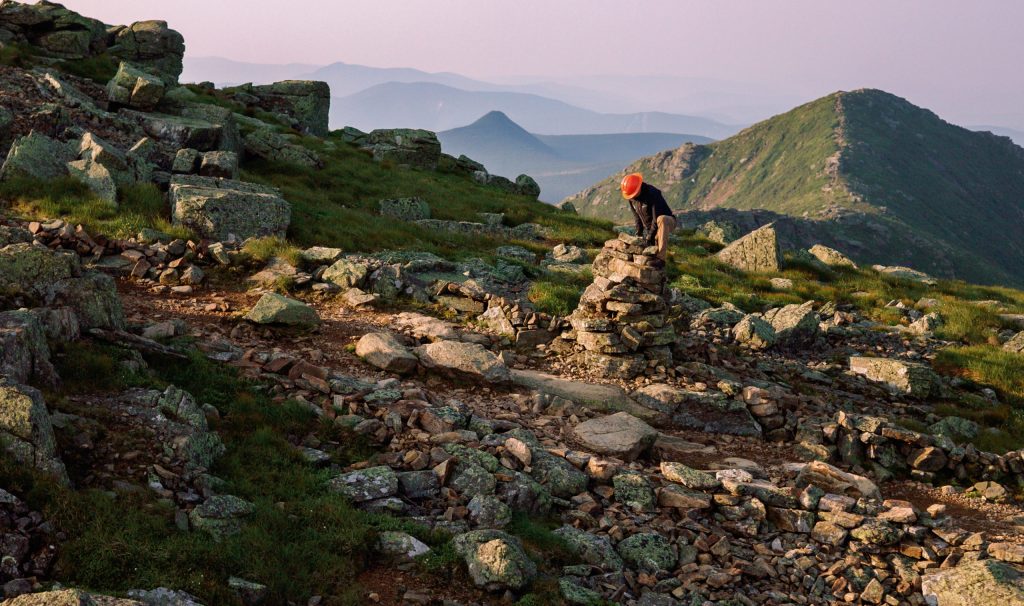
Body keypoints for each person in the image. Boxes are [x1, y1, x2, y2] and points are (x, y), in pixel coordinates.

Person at [620, 173, 676, 267]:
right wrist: (639, 235)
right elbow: (637, 218)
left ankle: (661, 259)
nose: (632, 197)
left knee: (661, 219)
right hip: (651, 228)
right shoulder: (632, 198)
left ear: (638, 188)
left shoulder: (652, 193)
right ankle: (654, 253)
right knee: (650, 249)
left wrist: (649, 237)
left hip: (667, 222)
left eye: (633, 194)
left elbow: (655, 217)